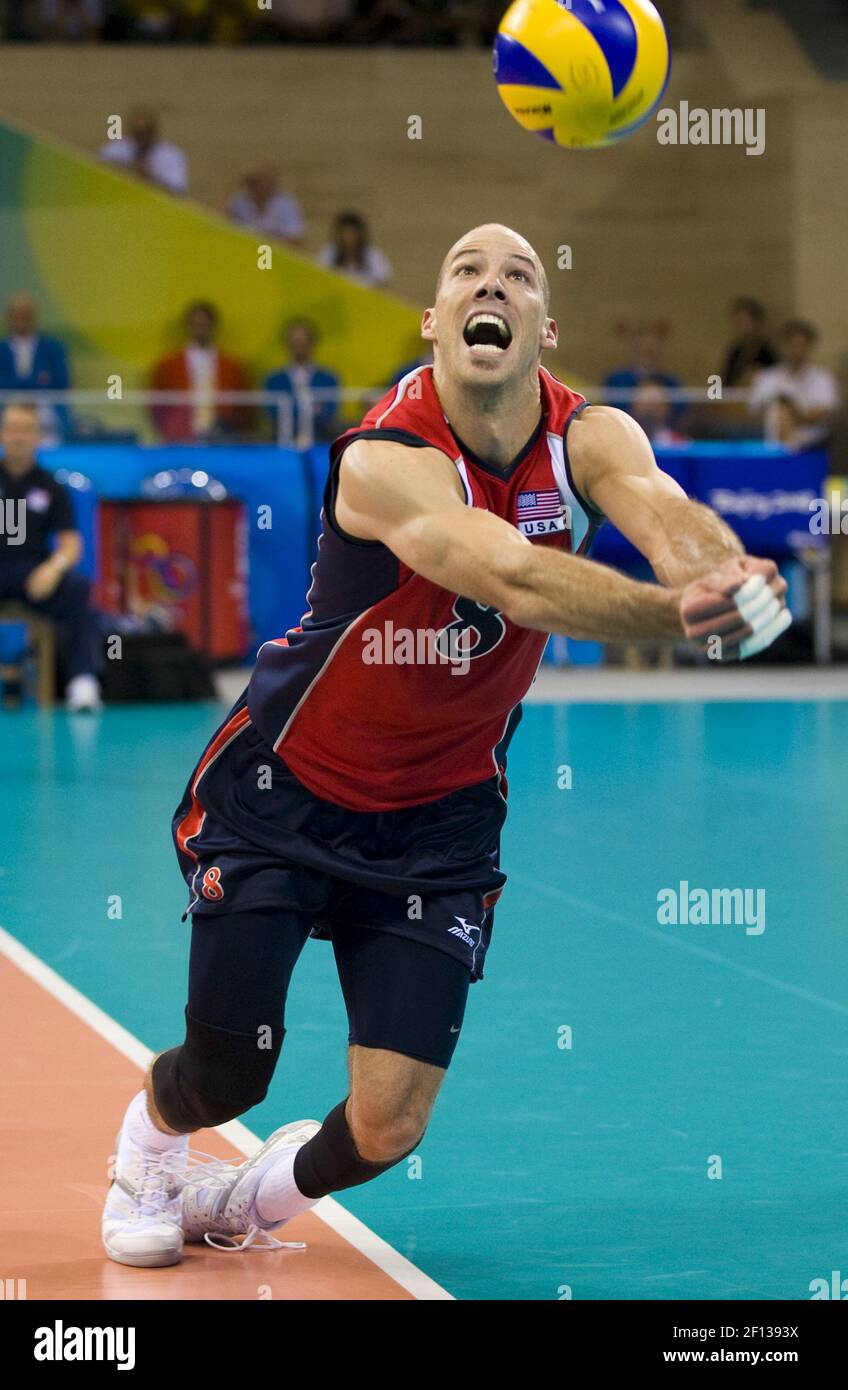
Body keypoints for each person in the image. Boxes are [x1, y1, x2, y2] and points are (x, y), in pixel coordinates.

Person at [101, 224, 790, 1267]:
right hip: (288, 788)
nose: (491, 285)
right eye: (467, 271)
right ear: (434, 321)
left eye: (518, 276)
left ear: (542, 329)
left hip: (440, 819)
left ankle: (246, 1196)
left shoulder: (590, 436)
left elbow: (666, 514)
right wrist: (674, 617)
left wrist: (725, 573)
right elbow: (506, 573)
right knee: (229, 1074)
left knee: (388, 1127)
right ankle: (148, 1148)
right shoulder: (385, 456)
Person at [0, 402, 101, 712]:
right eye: (12, 429)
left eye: (26, 430)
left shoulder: (51, 487)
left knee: (76, 588)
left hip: (34, 571)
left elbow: (71, 543)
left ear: (38, 436)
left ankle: (82, 681)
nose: (18, 437)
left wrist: (54, 567)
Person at [149, 300, 253, 443]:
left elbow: (244, 406)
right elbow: (157, 405)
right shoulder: (167, 365)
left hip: (223, 438)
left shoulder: (232, 366)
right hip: (179, 438)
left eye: (205, 324)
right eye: (196, 324)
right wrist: (171, 430)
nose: (201, 329)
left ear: (213, 326)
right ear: (187, 326)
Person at [0, 293, 72, 445]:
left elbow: (61, 381)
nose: (21, 319)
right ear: (8, 317)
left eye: (25, 314)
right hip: (8, 409)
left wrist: (19, 383)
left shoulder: (53, 348)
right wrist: (36, 381)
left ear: (34, 316)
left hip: (47, 413)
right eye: (16, 314)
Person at [747, 319, 839, 452]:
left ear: (809, 346)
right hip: (769, 445)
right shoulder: (767, 377)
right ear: (782, 345)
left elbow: (824, 411)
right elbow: (754, 412)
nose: (796, 349)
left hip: (813, 446)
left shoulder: (822, 378)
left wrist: (791, 412)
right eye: (791, 344)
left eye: (801, 344)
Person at [264, 319, 341, 446]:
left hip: (320, 443)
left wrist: (292, 409)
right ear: (286, 344)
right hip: (280, 444)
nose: (299, 347)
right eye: (295, 342)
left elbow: (328, 413)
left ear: (313, 344)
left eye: (304, 342)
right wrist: (311, 409)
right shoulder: (273, 379)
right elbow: (274, 414)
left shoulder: (329, 378)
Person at [98, 106, 188, 195]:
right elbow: (98, 174)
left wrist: (149, 177)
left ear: (153, 131)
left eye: (146, 132)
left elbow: (178, 191)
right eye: (138, 132)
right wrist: (122, 170)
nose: (142, 137)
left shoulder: (172, 156)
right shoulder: (113, 151)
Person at [225, 166, 305, 245]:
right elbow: (220, 220)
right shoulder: (240, 201)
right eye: (251, 183)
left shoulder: (285, 205)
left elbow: (297, 239)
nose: (254, 188)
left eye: (258, 183)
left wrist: (265, 237)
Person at [316, 210, 392, 289]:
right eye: (344, 233)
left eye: (352, 233)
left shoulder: (373, 256)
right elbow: (319, 279)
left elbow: (383, 284)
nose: (348, 238)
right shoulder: (328, 253)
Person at [720, 296, 778, 388]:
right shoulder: (736, 352)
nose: (742, 327)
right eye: (739, 322)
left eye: (746, 322)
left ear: (756, 322)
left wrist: (759, 376)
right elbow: (725, 382)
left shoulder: (767, 352)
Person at [630, 377, 691, 447]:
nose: (650, 409)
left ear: (666, 407)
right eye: (644, 403)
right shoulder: (624, 439)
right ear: (634, 405)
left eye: (654, 403)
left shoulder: (681, 443)